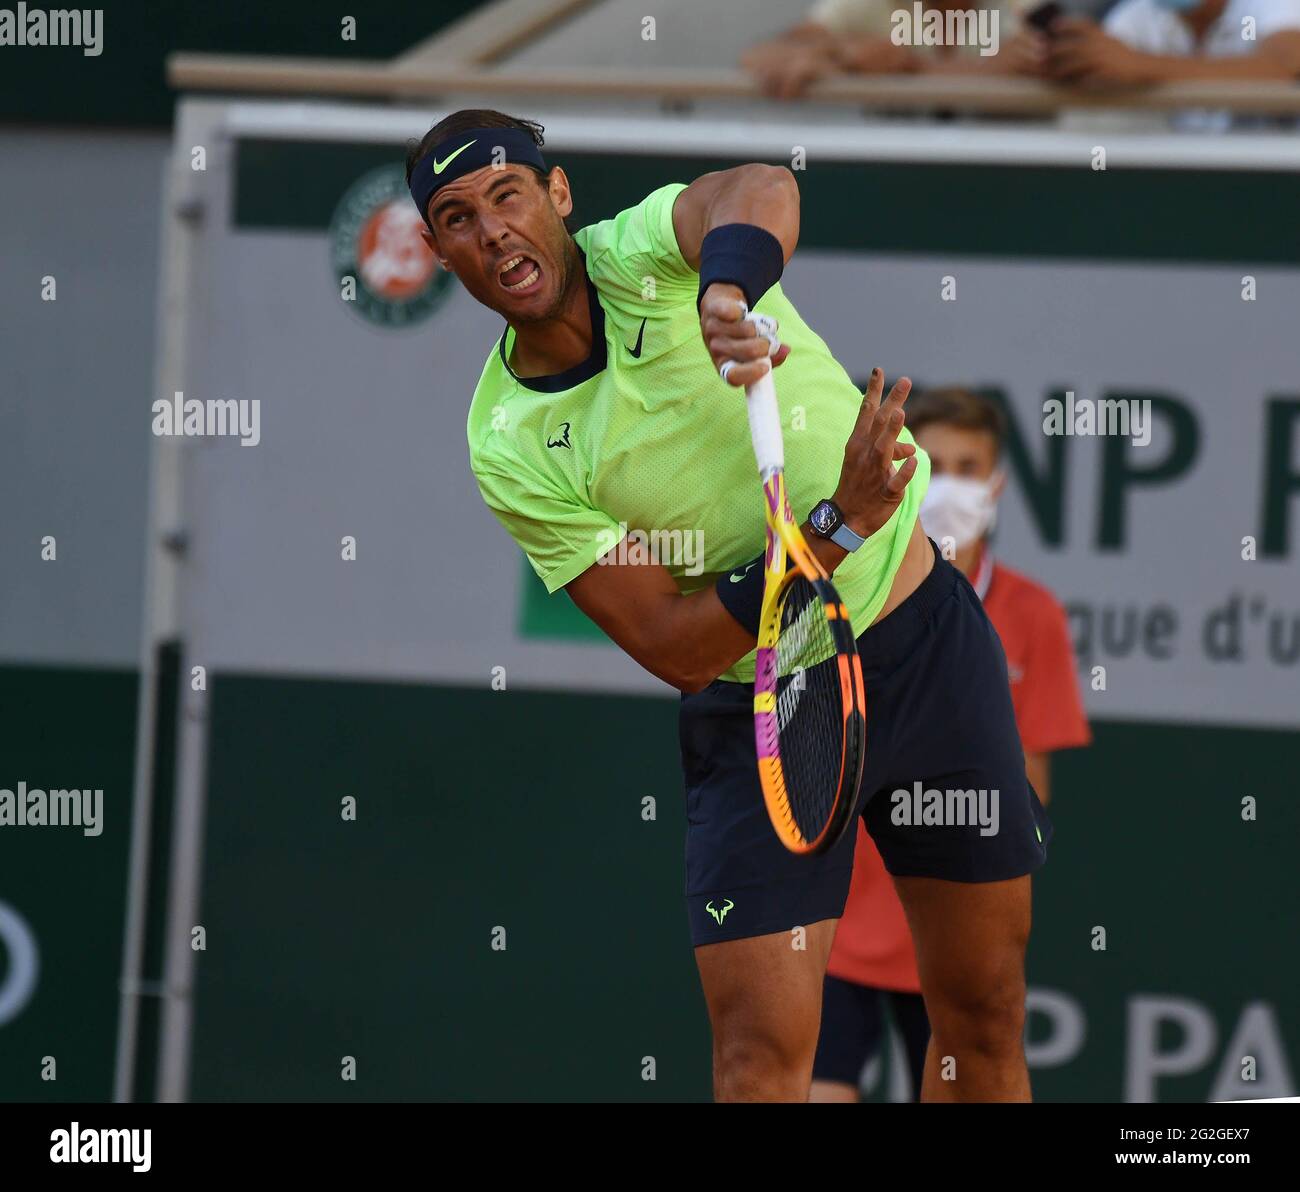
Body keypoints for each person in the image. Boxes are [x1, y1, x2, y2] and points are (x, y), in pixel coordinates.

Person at [410, 108, 1051, 1101]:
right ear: (437, 249)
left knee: (983, 1012)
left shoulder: (644, 250)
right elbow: (674, 646)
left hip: (924, 645)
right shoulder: (505, 442)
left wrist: (723, 286)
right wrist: (835, 524)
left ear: (559, 196)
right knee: (759, 1066)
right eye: (457, 216)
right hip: (761, 708)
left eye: (508, 196)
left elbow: (761, 187)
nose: (492, 231)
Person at [811, 387, 1091, 1102]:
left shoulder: (1034, 615)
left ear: (997, 485)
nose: (955, 481)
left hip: (950, 940)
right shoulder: (844, 590)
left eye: (972, 466)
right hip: (831, 928)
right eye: (936, 462)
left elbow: (1028, 790)